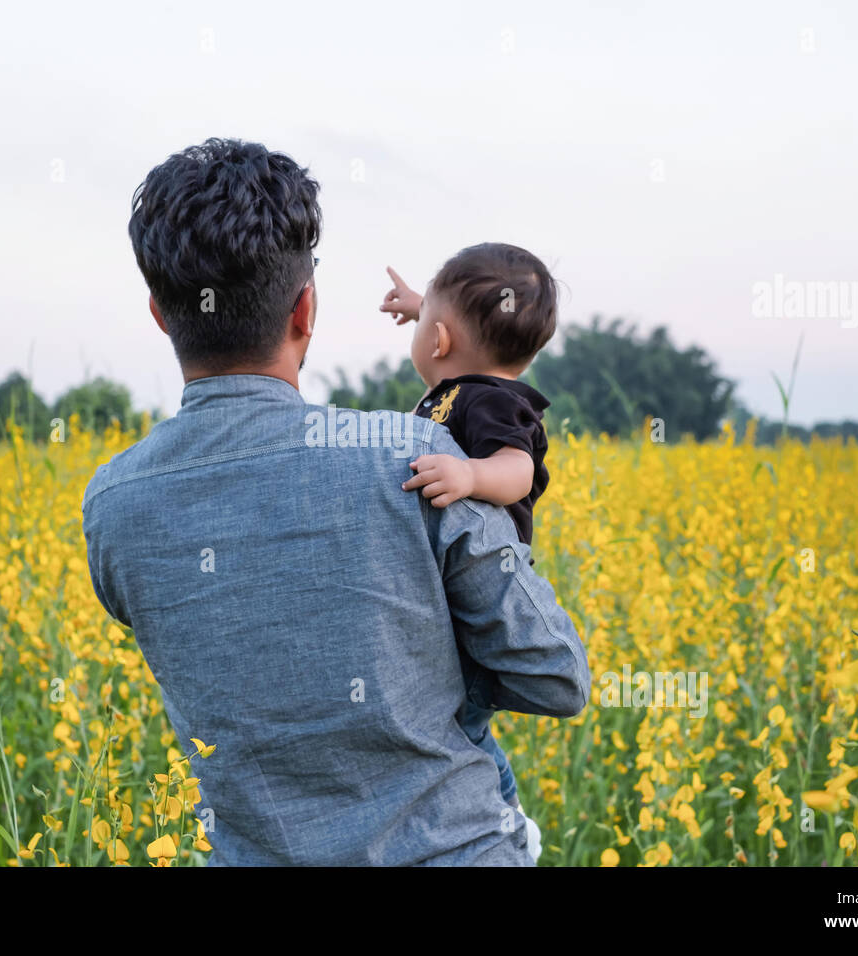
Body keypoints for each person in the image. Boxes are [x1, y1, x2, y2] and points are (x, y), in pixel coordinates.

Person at [82, 137, 590, 865]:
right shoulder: (414, 457)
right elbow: (554, 675)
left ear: (162, 314)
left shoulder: (115, 504)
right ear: (306, 309)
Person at [379, 246, 558, 842]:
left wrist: (471, 477)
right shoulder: (463, 387)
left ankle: (508, 820)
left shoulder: (492, 400)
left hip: (482, 593)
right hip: (450, 587)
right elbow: (447, 333)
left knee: (466, 727)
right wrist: (420, 307)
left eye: (426, 317)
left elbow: (519, 470)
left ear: (440, 342)